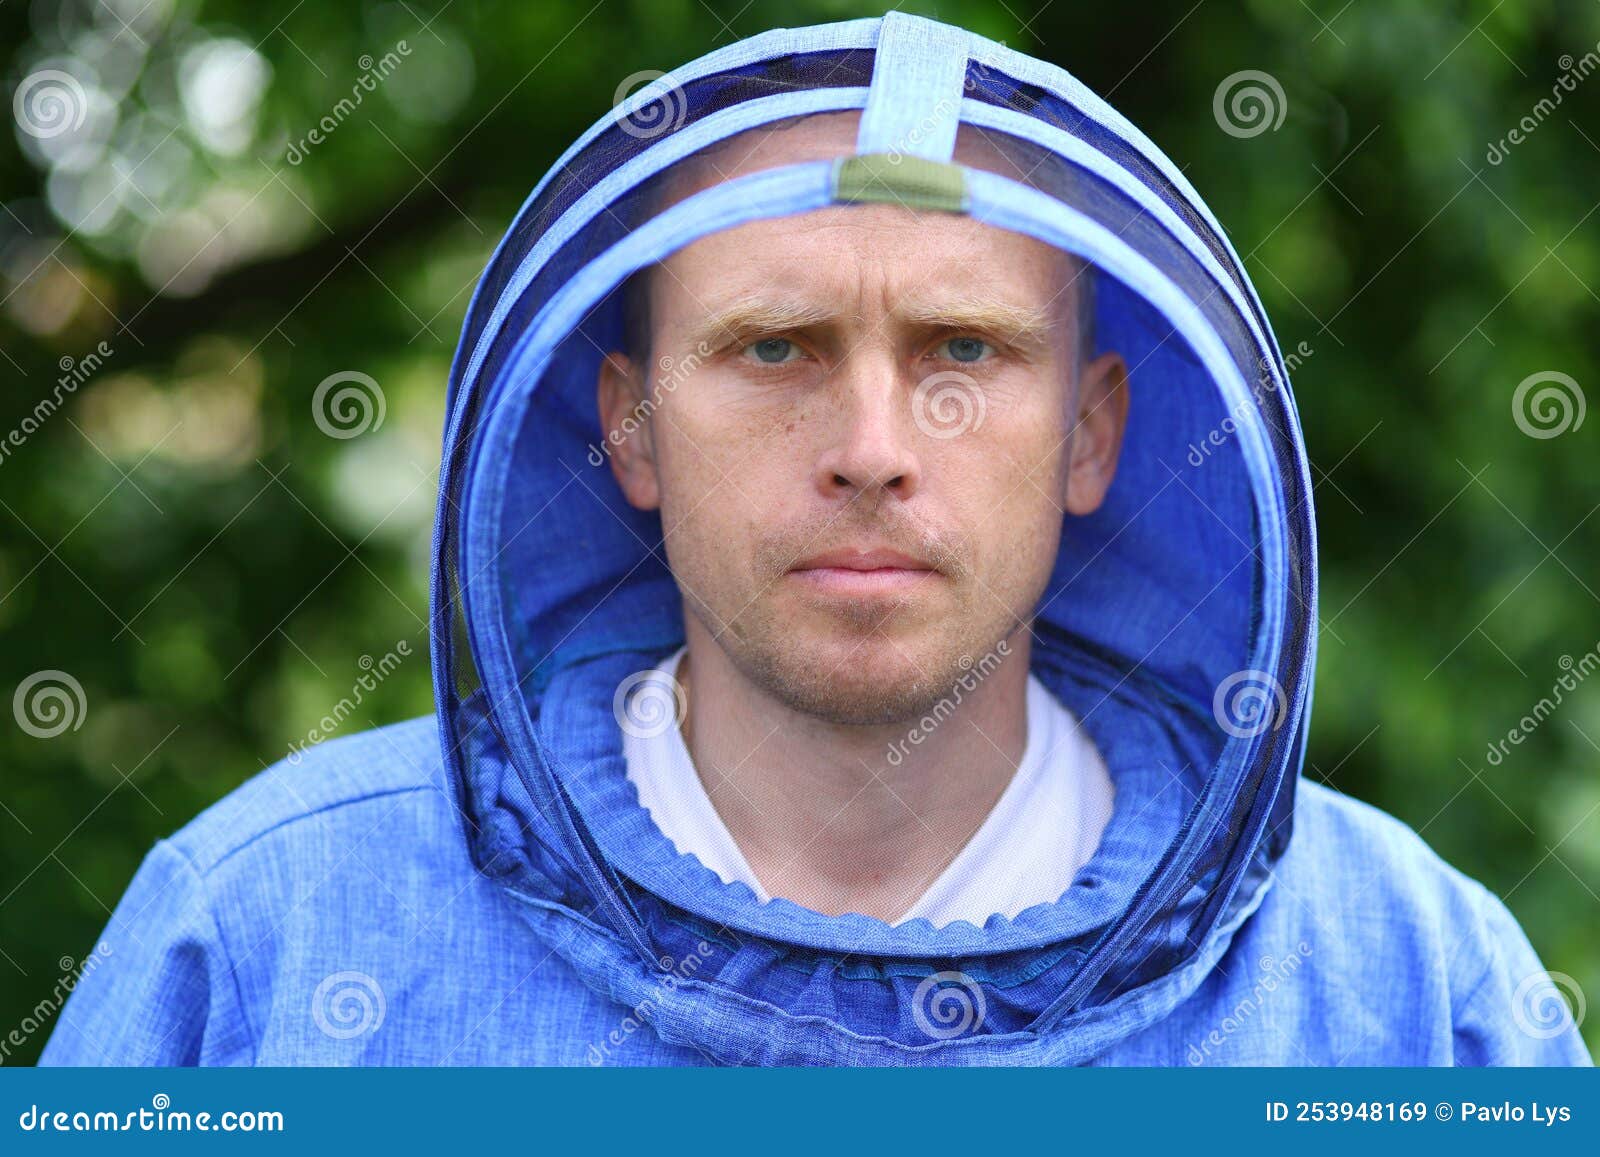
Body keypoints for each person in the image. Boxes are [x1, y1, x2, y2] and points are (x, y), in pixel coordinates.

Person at [42, 13, 1591, 1066]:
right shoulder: (264, 936)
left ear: (1096, 431)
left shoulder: (1404, 992)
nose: (870, 452)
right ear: (632, 424)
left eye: (964, 353)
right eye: (776, 347)